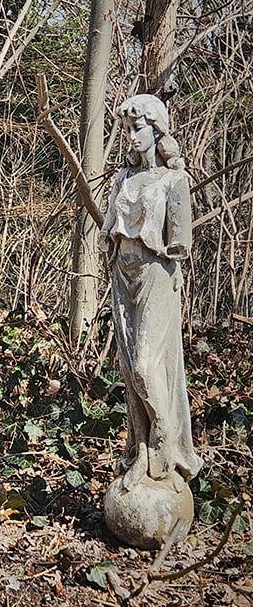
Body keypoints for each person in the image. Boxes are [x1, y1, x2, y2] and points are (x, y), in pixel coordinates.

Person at [100, 93, 202, 490]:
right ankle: (140, 447)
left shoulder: (175, 181)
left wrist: (156, 251)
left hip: (157, 277)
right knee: (129, 370)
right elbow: (110, 228)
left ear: (156, 128)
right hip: (122, 276)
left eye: (137, 127)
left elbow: (180, 241)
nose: (130, 136)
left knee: (147, 364)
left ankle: (166, 443)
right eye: (125, 129)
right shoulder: (122, 180)